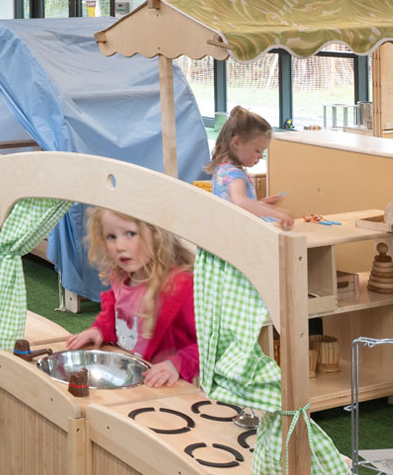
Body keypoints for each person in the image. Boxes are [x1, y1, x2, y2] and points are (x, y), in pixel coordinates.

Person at [65, 209, 198, 387]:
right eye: (111, 236)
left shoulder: (181, 286)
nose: (119, 246)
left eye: (130, 234)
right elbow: (113, 316)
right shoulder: (121, 275)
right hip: (128, 379)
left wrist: (177, 364)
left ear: (156, 234)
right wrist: (99, 330)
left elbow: (208, 345)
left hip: (167, 388)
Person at [206, 106, 291, 228]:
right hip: (238, 237)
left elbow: (234, 203)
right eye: (258, 150)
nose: (261, 156)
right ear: (237, 143)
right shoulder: (236, 176)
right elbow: (240, 202)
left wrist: (261, 205)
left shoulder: (222, 169)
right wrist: (276, 213)